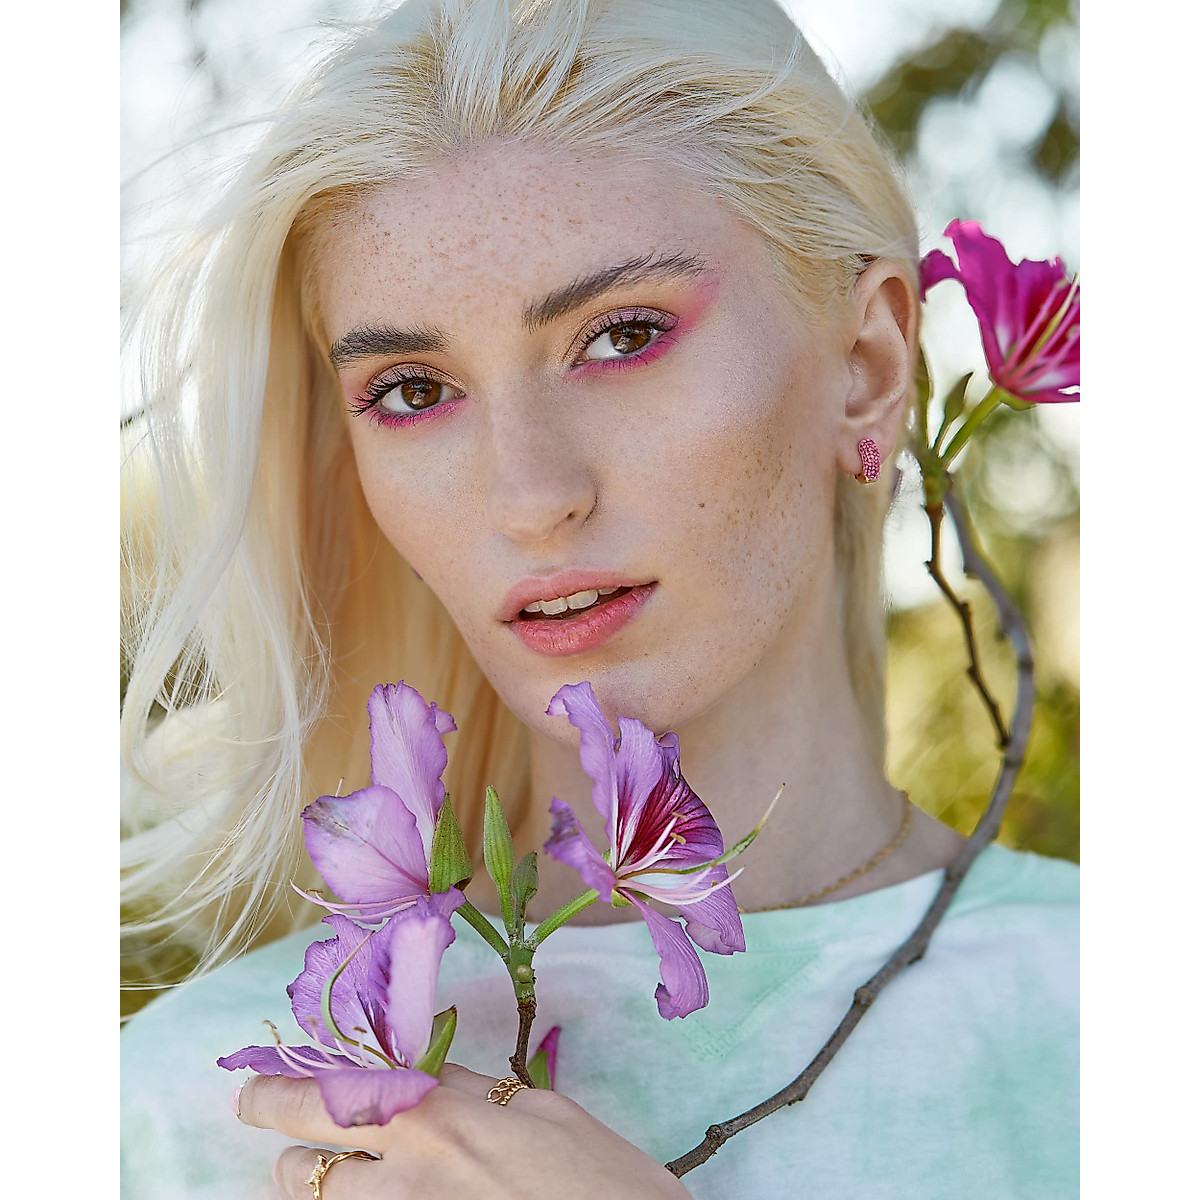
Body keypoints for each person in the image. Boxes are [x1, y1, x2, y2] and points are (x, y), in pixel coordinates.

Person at [120, 0, 1079, 1196]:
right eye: (413, 390)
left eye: (623, 336)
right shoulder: (185, 1119)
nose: (531, 498)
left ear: (866, 367)